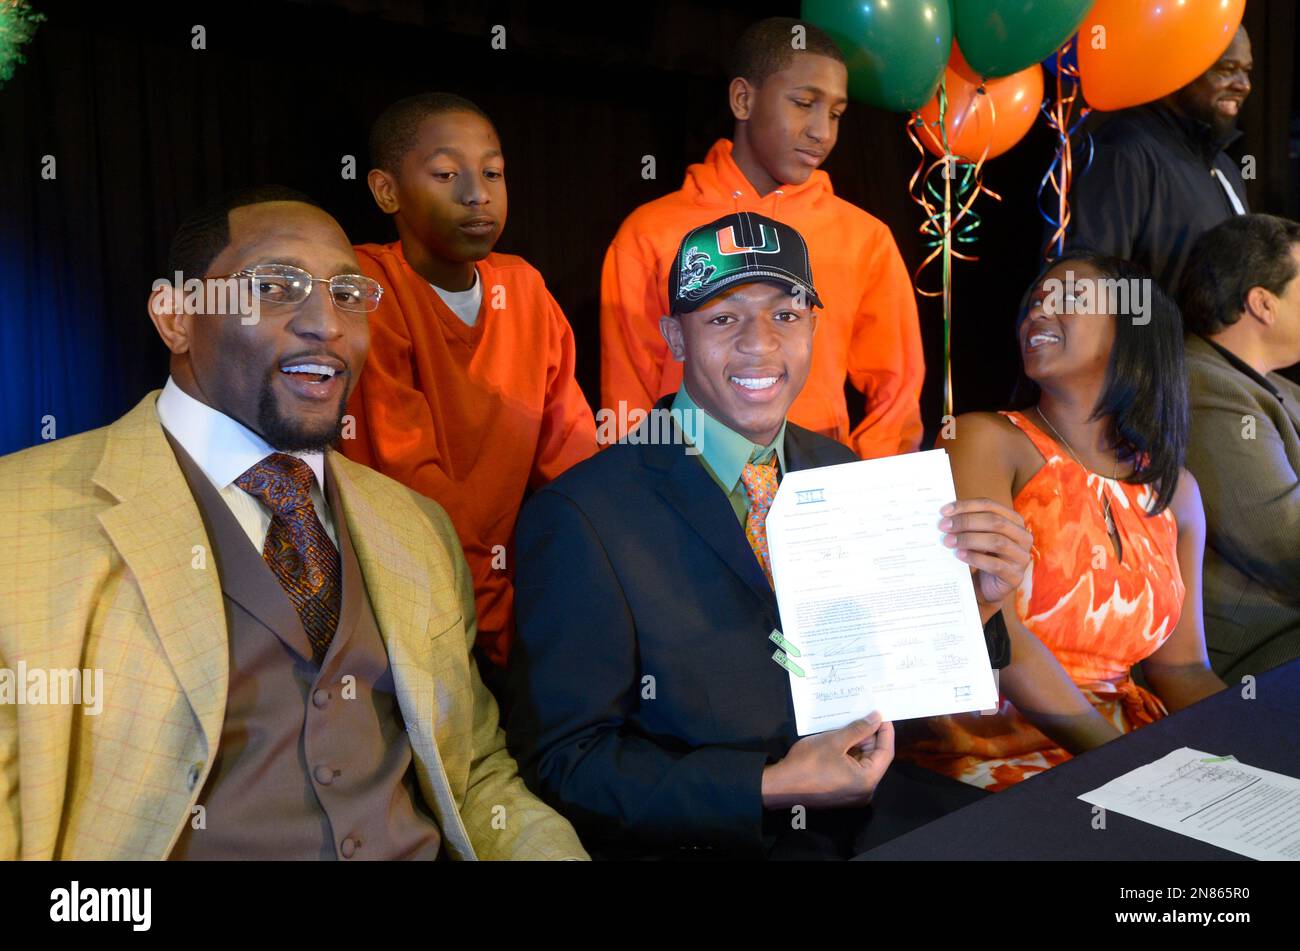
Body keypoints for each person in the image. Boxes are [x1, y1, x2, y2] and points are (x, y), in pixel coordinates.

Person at [0, 186, 586, 861]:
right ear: (176, 317)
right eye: (276, 286)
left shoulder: (417, 527)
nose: (328, 324)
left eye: (348, 293)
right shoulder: (22, 517)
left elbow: (478, 771)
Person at [507, 213, 1031, 859]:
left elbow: (890, 692)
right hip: (709, 838)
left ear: (814, 326)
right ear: (674, 335)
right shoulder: (581, 513)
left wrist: (976, 601)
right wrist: (769, 784)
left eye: (785, 315)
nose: (760, 344)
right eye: (723, 318)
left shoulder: (842, 471)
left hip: (870, 807)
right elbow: (565, 762)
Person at [900, 254, 1226, 791]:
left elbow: (1182, 668)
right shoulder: (982, 440)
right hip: (993, 754)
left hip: (1130, 747)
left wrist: (1255, 737)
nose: (1038, 314)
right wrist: (1125, 765)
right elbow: (995, 633)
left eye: (1069, 300)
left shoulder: (1176, 490)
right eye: (1033, 304)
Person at [340, 93, 597, 671]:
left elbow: (575, 458)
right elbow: (415, 493)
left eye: (493, 173)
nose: (477, 193)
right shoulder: (367, 290)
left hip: (509, 607)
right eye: (447, 174)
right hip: (405, 614)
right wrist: (514, 639)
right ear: (386, 191)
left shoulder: (523, 288)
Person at [600, 16, 923, 460]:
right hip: (689, 488)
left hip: (817, 495)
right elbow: (627, 391)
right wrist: (642, 491)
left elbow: (897, 391)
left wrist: (863, 487)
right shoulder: (650, 230)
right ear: (742, 98)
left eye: (835, 114)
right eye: (803, 103)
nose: (822, 132)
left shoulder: (864, 237)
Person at [1178, 214, 1300, 682]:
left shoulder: (1276, 386)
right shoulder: (1205, 385)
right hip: (1264, 648)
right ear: (1263, 303)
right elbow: (1286, 547)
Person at [1062, 24, 1252, 294]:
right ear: (1180, 69)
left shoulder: (1226, 167)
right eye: (1226, 69)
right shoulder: (1123, 153)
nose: (1243, 85)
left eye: (1247, 71)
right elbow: (1086, 287)